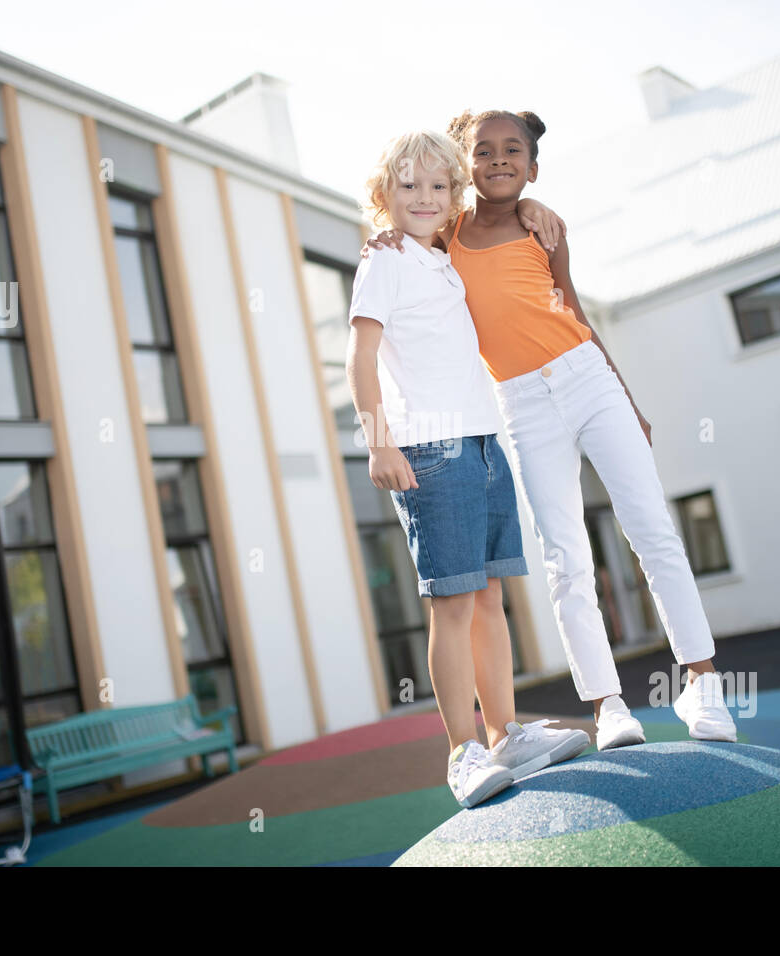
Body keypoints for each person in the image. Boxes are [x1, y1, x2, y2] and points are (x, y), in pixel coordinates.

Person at [365, 109, 739, 749]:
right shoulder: (441, 236)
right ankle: (608, 707)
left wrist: (627, 396)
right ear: (466, 168)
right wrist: (380, 237)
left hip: (587, 377)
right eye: (485, 152)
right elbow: (403, 222)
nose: (500, 160)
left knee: (651, 527)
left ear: (532, 167)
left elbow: (578, 314)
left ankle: (702, 683)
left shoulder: (545, 229)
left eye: (515, 152)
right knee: (565, 557)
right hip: (519, 403)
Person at [346, 129, 588, 808]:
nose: (424, 197)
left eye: (438, 186)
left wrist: (532, 204)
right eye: (408, 186)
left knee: (490, 599)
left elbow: (498, 207)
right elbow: (359, 359)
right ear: (383, 196)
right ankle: (462, 751)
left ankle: (506, 732)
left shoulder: (443, 256)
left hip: (484, 445)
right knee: (450, 605)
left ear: (454, 195)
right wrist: (377, 442)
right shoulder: (385, 261)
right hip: (430, 450)